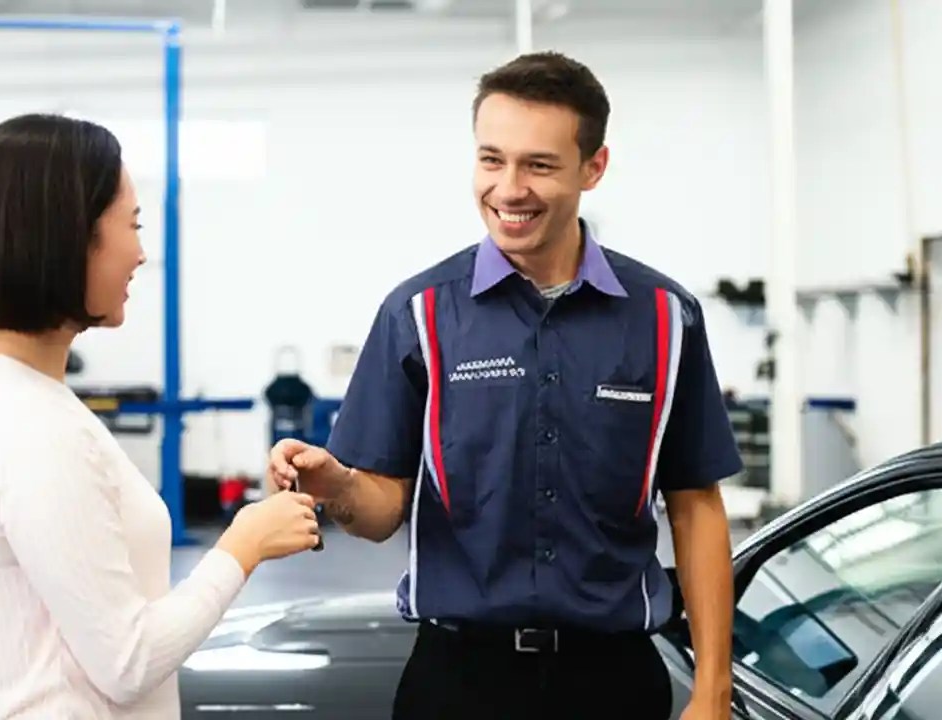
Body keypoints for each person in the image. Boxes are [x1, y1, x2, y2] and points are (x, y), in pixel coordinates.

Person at [267, 51, 742, 720]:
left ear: (593, 167)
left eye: (539, 165)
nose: (508, 188)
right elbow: (380, 512)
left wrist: (713, 691)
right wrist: (338, 486)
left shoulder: (665, 318)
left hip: (615, 683)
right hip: (458, 682)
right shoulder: (420, 315)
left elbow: (697, 506)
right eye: (492, 160)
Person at [0, 113, 321, 719]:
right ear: (68, 236)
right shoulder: (30, 426)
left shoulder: (4, 397)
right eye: (132, 226)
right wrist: (243, 545)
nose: (141, 254)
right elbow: (128, 661)